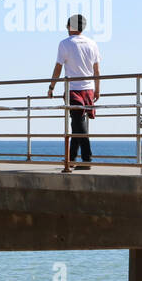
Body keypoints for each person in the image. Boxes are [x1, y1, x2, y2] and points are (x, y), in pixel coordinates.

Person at [47, 14, 101, 171]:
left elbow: (58, 67)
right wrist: (97, 89)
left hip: (73, 89)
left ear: (70, 27)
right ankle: (71, 159)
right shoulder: (92, 43)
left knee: (79, 124)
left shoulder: (65, 44)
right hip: (89, 88)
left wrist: (51, 87)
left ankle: (86, 159)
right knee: (76, 123)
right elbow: (96, 69)